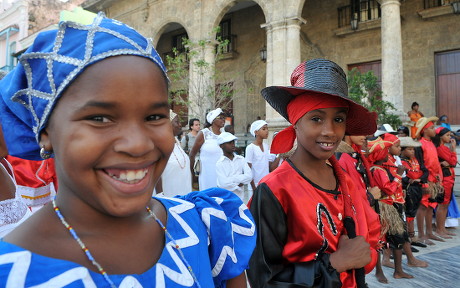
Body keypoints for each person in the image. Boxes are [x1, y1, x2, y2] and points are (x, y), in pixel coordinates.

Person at [0, 14, 255, 287]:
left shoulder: (203, 223)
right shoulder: (14, 273)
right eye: (99, 118)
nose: (138, 144)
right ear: (46, 133)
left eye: (154, 117)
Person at [248, 59, 380, 288]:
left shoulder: (345, 182)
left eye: (338, 119)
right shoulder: (274, 191)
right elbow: (265, 280)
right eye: (316, 119)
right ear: (295, 123)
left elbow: (367, 242)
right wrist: (336, 263)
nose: (329, 131)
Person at [367, 137, 417, 280]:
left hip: (388, 207)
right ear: (378, 155)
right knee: (382, 240)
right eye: (383, 152)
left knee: (395, 238)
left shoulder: (378, 168)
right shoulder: (378, 170)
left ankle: (396, 271)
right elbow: (389, 190)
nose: (386, 154)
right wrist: (398, 176)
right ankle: (382, 271)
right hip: (385, 208)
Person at [414, 116, 444, 245]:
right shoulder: (420, 145)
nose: (435, 130)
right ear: (425, 130)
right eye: (432, 128)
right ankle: (421, 235)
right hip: (426, 180)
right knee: (423, 206)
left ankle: (429, 232)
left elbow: (436, 163)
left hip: (434, 180)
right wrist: (424, 180)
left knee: (431, 206)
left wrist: (439, 179)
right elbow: (421, 164)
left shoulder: (431, 143)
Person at [155, 111, 192, 197]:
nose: (180, 125)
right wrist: (160, 197)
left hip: (184, 193)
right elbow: (155, 173)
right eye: (177, 122)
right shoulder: (159, 145)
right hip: (168, 197)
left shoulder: (176, 142)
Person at [399, 137, 427, 248]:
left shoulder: (415, 160)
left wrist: (420, 179)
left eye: (413, 149)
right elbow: (408, 176)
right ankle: (408, 239)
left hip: (417, 187)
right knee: (408, 213)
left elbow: (425, 171)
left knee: (413, 212)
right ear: (403, 150)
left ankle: (412, 237)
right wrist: (416, 177)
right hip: (408, 189)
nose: (412, 151)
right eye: (410, 149)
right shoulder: (401, 162)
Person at [189, 108, 224, 190]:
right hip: (207, 174)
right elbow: (192, 154)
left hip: (222, 174)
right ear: (213, 120)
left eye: (224, 118)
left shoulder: (224, 135)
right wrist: (192, 174)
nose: (223, 120)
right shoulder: (204, 133)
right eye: (220, 118)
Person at [433, 127, 457, 237]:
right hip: (445, 178)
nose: (450, 137)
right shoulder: (441, 148)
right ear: (441, 137)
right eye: (447, 135)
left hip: (449, 177)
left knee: (445, 204)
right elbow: (453, 161)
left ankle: (442, 228)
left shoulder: (443, 148)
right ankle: (439, 229)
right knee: (442, 204)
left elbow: (451, 163)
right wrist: (453, 150)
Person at [215, 132, 252, 202]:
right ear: (221, 146)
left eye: (233, 142)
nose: (233, 145)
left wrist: (232, 180)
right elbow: (223, 184)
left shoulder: (241, 159)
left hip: (240, 198)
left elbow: (249, 176)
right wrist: (239, 183)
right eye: (229, 143)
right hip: (226, 199)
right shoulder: (219, 163)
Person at [245, 120, 280, 192]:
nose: (267, 131)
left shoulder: (266, 146)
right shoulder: (250, 148)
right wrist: (254, 188)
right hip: (255, 186)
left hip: (265, 184)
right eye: (264, 129)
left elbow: (268, 166)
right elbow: (248, 169)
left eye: (267, 129)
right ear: (256, 132)